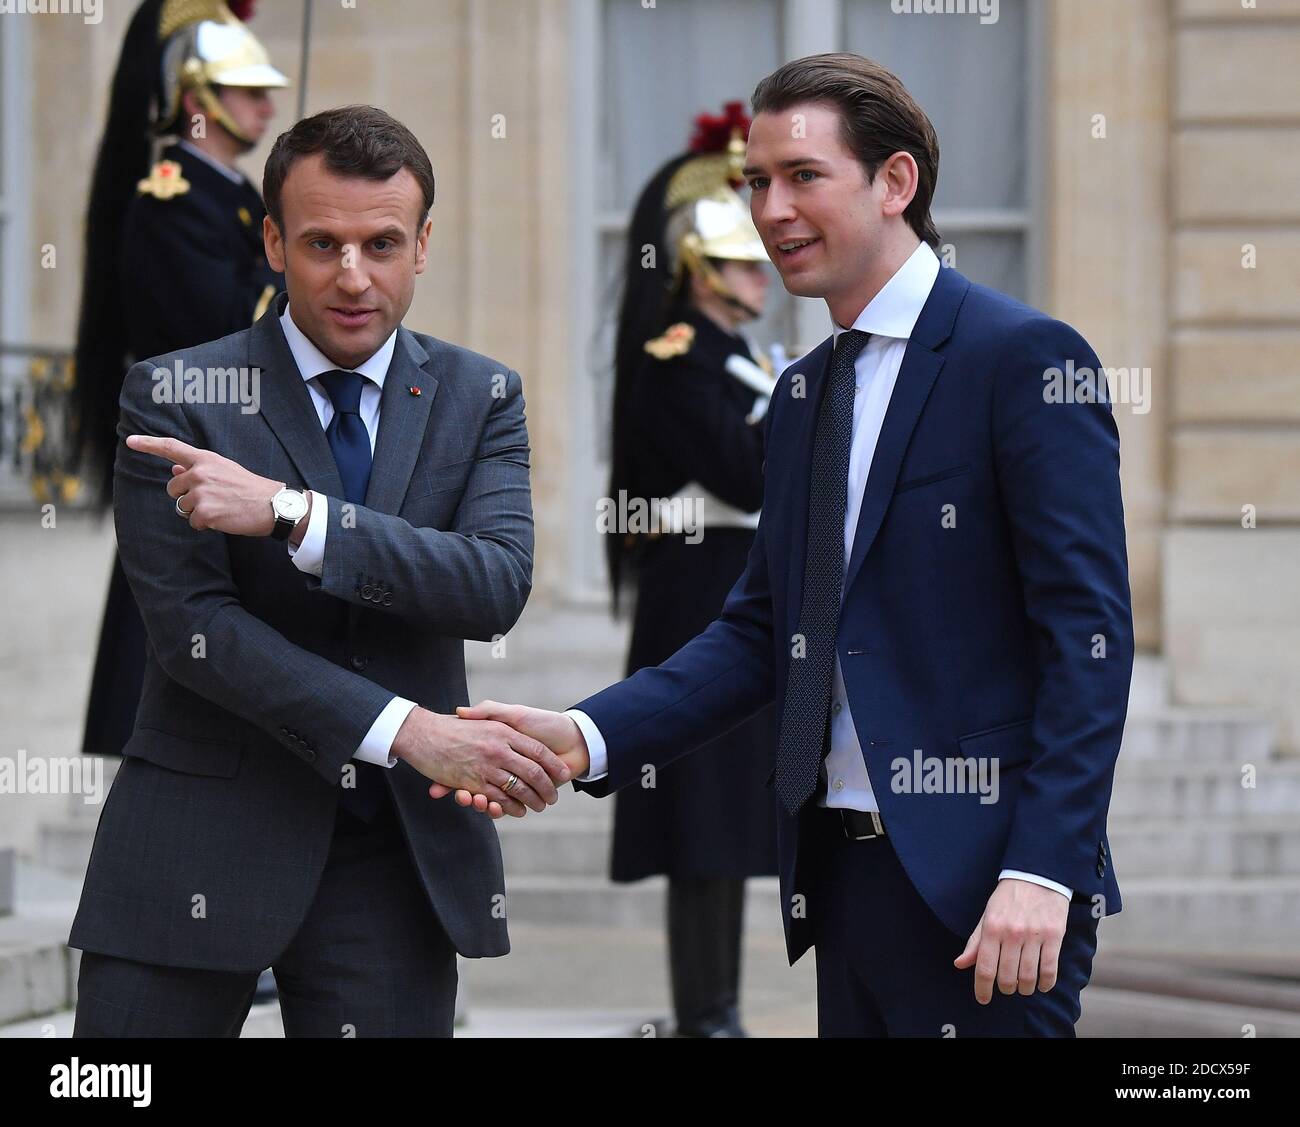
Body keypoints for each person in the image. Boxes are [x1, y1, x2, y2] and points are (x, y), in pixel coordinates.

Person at [451, 53, 1134, 1037]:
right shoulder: (806, 391)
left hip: (990, 893)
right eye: (757, 181)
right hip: (837, 881)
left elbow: (1087, 639)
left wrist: (1042, 868)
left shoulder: (1021, 359)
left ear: (895, 182)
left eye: (802, 176)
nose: (770, 209)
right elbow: (760, 628)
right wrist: (581, 736)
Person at [68, 105, 570, 1037]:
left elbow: (494, 583)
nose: (352, 277)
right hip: (194, 838)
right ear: (271, 240)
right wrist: (406, 730)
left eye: (381, 243)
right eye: (321, 243)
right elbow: (193, 634)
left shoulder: (481, 395)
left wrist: (296, 516)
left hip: (392, 856)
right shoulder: (178, 394)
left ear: (422, 244)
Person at [604, 103, 779, 1038]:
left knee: (728, 826)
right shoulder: (678, 357)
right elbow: (747, 471)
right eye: (744, 262)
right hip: (696, 595)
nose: (762, 275)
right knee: (700, 822)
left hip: (735, 584)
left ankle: (721, 1006)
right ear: (699, 270)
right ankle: (703, 1011)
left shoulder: (742, 356)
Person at [76, 0, 287, 765]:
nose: (268, 103)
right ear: (198, 99)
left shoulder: (239, 196)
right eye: (246, 88)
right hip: (191, 462)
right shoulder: (168, 199)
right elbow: (220, 333)